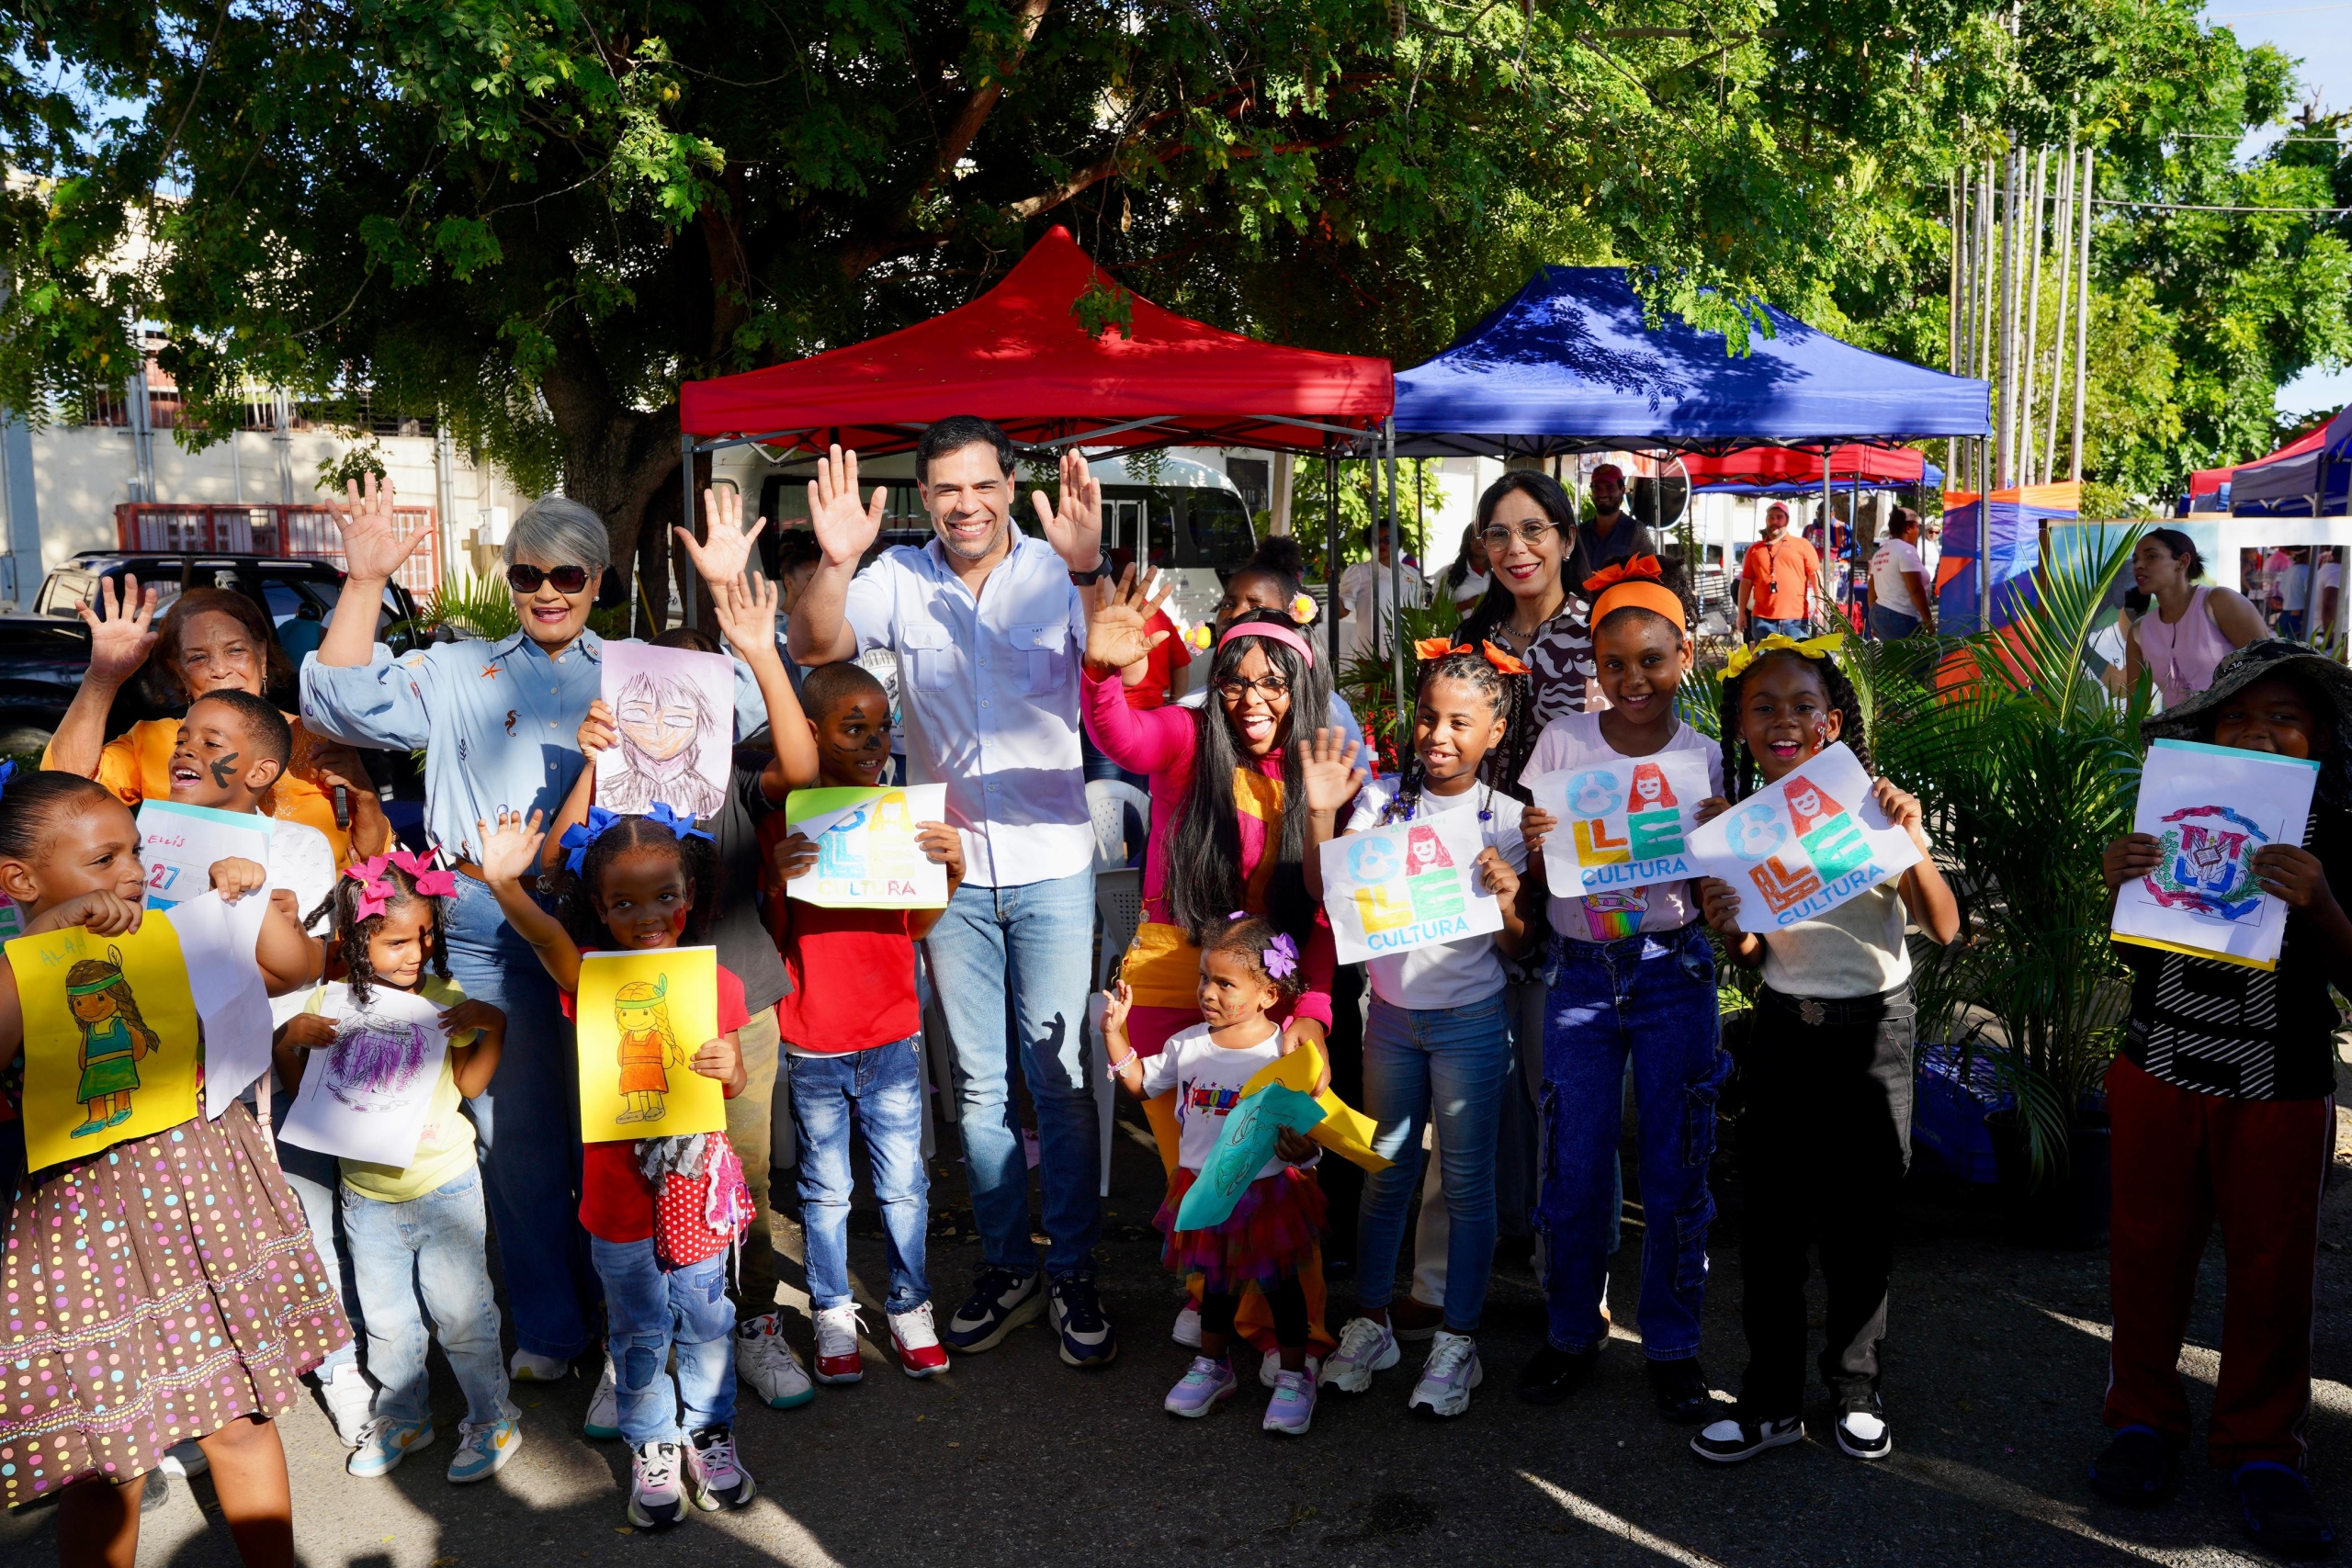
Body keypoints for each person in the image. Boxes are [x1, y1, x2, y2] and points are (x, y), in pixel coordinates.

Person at [302, 476, 773, 1387]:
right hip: (484, 929)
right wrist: (363, 584)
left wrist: (724, 596)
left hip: (612, 936)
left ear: (599, 578)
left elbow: (750, 712)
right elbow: (340, 705)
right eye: (527, 574)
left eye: (567, 574)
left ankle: (631, 1329)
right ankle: (555, 1329)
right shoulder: (451, 668)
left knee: (622, 1131)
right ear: (509, 579)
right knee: (515, 1141)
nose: (546, 591)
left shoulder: (641, 669)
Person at [784, 421, 1114, 1368]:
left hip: (1052, 860)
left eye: (980, 485)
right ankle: (1008, 1268)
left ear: (1011, 485)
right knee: (975, 1086)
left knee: (1059, 1079)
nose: (964, 504)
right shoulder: (895, 578)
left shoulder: (1060, 572)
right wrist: (837, 560)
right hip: (945, 868)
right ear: (925, 497)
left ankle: (1075, 1273)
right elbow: (814, 642)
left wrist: (1092, 579)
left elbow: (1123, 657)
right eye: (944, 490)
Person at [0, 770, 344, 1562]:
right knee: (105, 1458)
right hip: (80, 1230)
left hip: (203, 1198)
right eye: (103, 859)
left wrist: (253, 905)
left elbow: (292, 972)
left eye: (137, 849)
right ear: (20, 879)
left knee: (241, 1413)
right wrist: (41, 937)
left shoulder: (166, 928)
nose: (130, 872)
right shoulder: (11, 958)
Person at [537, 540, 818, 1405]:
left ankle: (754, 1321)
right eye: (656, 688)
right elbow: (552, 869)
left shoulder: (733, 774)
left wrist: (762, 654)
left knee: (744, 1174)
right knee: (626, 1180)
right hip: (624, 1014)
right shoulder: (614, 790)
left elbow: (802, 771)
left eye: (703, 685)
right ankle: (638, 1343)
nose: (674, 708)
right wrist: (592, 760)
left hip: (736, 1005)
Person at [2091, 642, 2352, 1556]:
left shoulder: (2341, 830)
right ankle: (2140, 1420)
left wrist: (2320, 904)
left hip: (2279, 1083)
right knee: (2145, 1255)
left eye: (2283, 719)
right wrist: (2116, 883)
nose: (2259, 733)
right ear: (2210, 736)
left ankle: (2262, 1448)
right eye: (2237, 720)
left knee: (2274, 1271)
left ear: (2317, 738)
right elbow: (2136, 955)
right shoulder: (2172, 814)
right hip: (2157, 1065)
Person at [1688, 637, 1958, 1465]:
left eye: (1803, 706)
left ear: (1832, 722)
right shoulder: (1736, 829)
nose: (1784, 720)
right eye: (1763, 708)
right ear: (1741, 727)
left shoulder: (1872, 808)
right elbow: (1750, 955)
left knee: (1859, 1223)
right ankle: (1769, 1398)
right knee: (1769, 1224)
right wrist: (1726, 915)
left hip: (1874, 1034)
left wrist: (1906, 835)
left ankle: (1854, 1385)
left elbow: (1945, 926)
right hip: (1783, 1030)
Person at [1081, 572, 1342, 1374]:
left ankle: (1274, 1334)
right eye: (1234, 681)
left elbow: (1328, 919)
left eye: (1272, 682)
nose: (1251, 698)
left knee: (1274, 1172)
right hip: (1171, 982)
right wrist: (1099, 676)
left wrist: (1314, 1016)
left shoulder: (1319, 771)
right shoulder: (1190, 742)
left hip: (1275, 997)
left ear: (1301, 687)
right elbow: (1125, 737)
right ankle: (1232, 1317)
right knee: (1201, 1172)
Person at [480, 805, 758, 1529]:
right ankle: (652, 1444)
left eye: (665, 895)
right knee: (637, 1331)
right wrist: (506, 884)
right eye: (625, 902)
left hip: (695, 1192)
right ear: (599, 908)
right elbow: (543, 934)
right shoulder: (591, 977)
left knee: (704, 1317)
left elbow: (728, 1079)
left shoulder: (715, 980)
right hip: (619, 1203)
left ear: (689, 895)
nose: (648, 914)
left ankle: (709, 1432)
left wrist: (732, 1068)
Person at [1515, 556, 1725, 1423]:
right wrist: (1534, 838)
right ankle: (1572, 1328)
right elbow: (1543, 867)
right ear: (1593, 668)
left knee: (1679, 1161)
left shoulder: (1703, 753)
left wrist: (1720, 839)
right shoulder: (1564, 743)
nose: (1633, 678)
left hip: (1674, 968)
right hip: (1580, 974)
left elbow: (1722, 881)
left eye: (1651, 660)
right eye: (1614, 664)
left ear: (1684, 657)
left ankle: (1673, 1342)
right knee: (1574, 1162)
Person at [1307, 644, 1543, 1418]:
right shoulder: (1381, 803)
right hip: (1392, 1021)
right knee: (1387, 1170)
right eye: (1429, 716)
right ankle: (1370, 1317)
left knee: (1469, 1187)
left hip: (1473, 1024)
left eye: (1460, 722)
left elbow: (1519, 946)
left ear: (1495, 732)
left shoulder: (1508, 818)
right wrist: (1318, 813)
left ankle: (1459, 1340)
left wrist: (1510, 898)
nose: (1438, 734)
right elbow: (1327, 894)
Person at [164, 688, 373, 1447]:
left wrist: (259, 909)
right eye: (182, 735)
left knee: (305, 1222)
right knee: (192, 1245)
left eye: (208, 738)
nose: (184, 748)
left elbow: (298, 969)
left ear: (257, 769)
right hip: (175, 1086)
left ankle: (342, 1372)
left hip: (272, 1077)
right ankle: (206, 1405)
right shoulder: (146, 840)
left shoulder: (295, 846)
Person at [276, 854, 521, 1483]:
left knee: (462, 1313)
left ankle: (492, 1416)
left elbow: (470, 1082)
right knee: (386, 1321)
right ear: (354, 940)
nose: (415, 953)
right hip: (367, 1197)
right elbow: (313, 1105)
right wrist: (288, 1042)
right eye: (395, 941)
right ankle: (404, 1414)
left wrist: (492, 1026)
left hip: (445, 1184)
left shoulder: (444, 998)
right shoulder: (330, 1003)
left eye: (425, 936)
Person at [771, 660, 967, 1386]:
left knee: (905, 1184)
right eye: (854, 727)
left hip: (890, 1032)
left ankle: (910, 1304)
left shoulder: (900, 816)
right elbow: (770, 927)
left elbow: (917, 925)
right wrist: (773, 875)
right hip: (815, 1036)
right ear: (812, 731)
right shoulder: (788, 817)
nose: (874, 741)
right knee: (824, 1190)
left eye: (882, 727)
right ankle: (831, 1307)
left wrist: (951, 870)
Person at [1102, 918, 1329, 1435]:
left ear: (1269, 993)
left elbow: (1311, 1133)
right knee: (1217, 1286)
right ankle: (1213, 1366)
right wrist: (1115, 1035)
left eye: (1225, 983)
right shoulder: (1189, 1045)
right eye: (1205, 978)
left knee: (1282, 1289)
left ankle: (1295, 1375)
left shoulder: (1285, 1053)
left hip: (1269, 1192)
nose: (1208, 992)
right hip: (1205, 1188)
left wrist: (1306, 1154)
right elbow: (1139, 1085)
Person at [45, 581, 390, 868]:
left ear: (263, 655)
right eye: (198, 658)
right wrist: (102, 680)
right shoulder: (154, 742)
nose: (221, 670)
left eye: (235, 651)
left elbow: (372, 857)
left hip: (320, 940)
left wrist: (364, 794)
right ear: (179, 671)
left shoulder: (321, 736)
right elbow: (62, 791)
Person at [1456, 471, 1599, 783]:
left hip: (1585, 822)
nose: (1516, 548)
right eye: (1498, 534)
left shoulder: (1602, 634)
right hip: (1486, 827)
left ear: (1568, 540)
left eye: (1532, 529)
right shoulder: (1468, 643)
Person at [1179, 538, 1370, 768]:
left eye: (1256, 608)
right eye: (1228, 604)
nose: (1236, 614)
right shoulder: (1193, 708)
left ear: (1290, 618)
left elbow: (1360, 789)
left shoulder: (1330, 711)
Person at [2121, 528, 2265, 708]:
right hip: (2175, 735)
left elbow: (2270, 665)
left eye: (2151, 557)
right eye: (2135, 560)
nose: (2138, 566)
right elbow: (2135, 708)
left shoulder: (2218, 602)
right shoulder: (2139, 632)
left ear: (2182, 562)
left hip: (2233, 729)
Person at [1339, 519, 1426, 662]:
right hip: (1373, 655)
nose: (1382, 544)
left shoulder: (1412, 574)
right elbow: (1342, 612)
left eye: (1388, 539)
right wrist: (1332, 581)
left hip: (1408, 653)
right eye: (1376, 540)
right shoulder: (1359, 572)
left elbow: (1419, 612)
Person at [1739, 503, 1821, 641]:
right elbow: (1746, 582)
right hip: (1762, 620)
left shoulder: (1802, 545)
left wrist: (1821, 604)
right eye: (1771, 517)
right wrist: (1741, 613)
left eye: (1779, 517)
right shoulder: (1754, 550)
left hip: (1796, 620)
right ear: (1766, 520)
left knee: (1797, 662)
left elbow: (1816, 575)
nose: (1775, 521)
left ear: (1787, 521)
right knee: (1766, 663)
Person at [1866, 508, 1935, 641]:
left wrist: (1875, 621)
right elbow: (1916, 590)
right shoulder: (1906, 551)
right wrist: (1929, 622)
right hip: (1899, 616)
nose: (1918, 532)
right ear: (1908, 528)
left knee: (1894, 660)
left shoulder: (1880, 553)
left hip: (1878, 613)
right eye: (1917, 527)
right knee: (1919, 660)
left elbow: (1871, 591)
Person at [1578, 463, 1657, 572]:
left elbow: (1650, 574)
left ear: (1622, 490)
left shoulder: (1637, 532)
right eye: (1597, 487)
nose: (1602, 493)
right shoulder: (1581, 533)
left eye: (1609, 487)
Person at [1442, 523, 1491, 610]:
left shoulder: (1500, 573)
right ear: (1467, 542)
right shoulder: (1448, 572)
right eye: (1474, 537)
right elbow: (1436, 611)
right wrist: (1468, 603)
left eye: (1484, 537)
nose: (1479, 541)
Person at [277, 599, 328, 663]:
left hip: (286, 668)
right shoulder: (319, 627)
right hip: (307, 669)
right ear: (319, 614)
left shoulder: (286, 625)